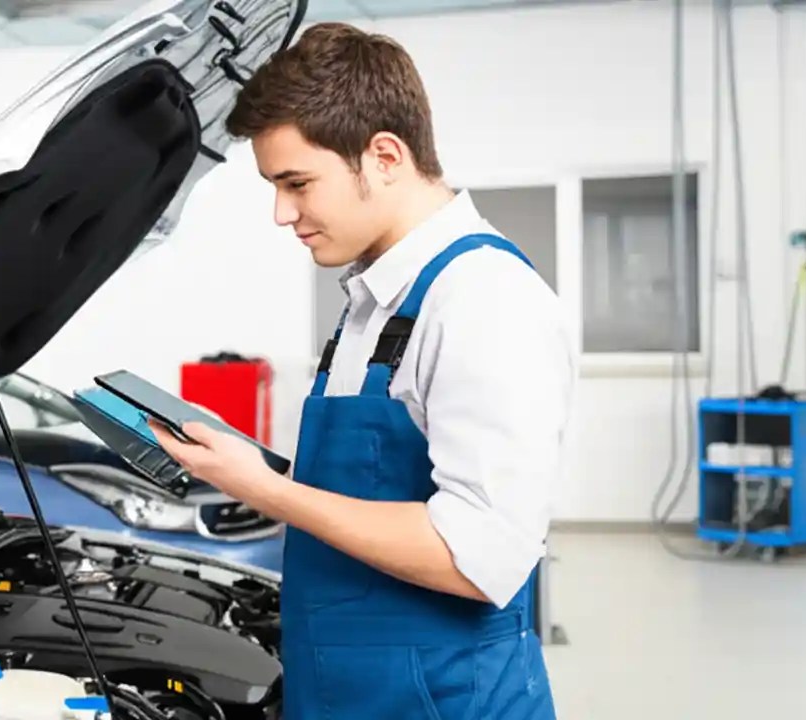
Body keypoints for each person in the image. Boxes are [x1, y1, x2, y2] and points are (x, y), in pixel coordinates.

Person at [148, 22, 574, 720]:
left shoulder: (484, 300)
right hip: (348, 687)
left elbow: (478, 558)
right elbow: (365, 492)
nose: (283, 213)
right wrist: (251, 469)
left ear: (383, 156)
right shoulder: (374, 300)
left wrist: (266, 491)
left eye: (297, 183)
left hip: (443, 701)